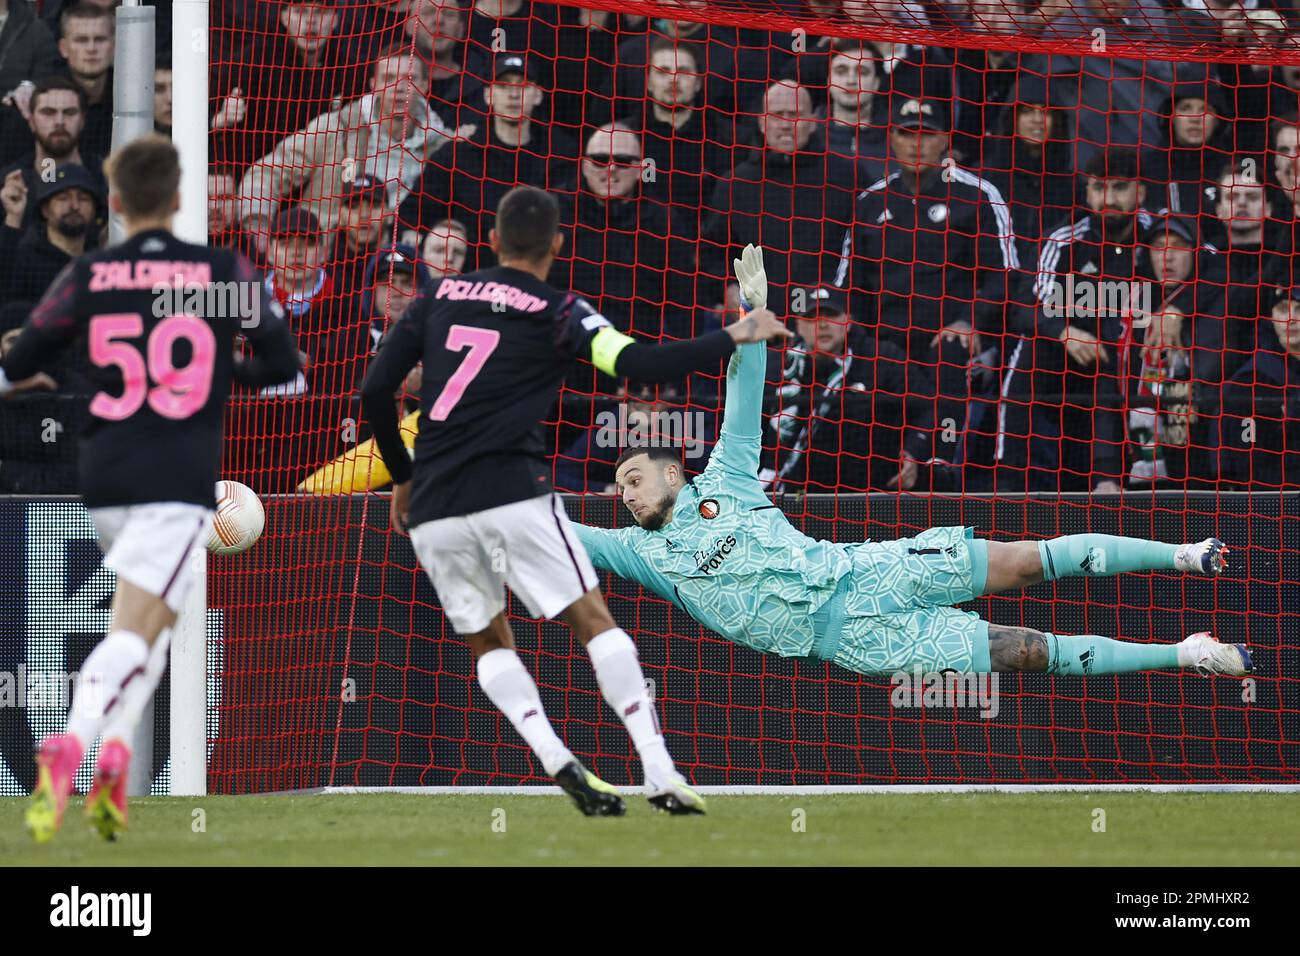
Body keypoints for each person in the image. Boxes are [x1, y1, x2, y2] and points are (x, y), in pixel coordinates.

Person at [573, 246, 1250, 684]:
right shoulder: (637, 551)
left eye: (633, 477)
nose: (623, 493)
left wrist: (752, 314)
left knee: (1022, 560)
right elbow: (553, 528)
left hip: (870, 571)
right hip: (865, 644)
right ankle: (1187, 653)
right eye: (619, 485)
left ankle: (1183, 555)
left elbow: (744, 397)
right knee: (1025, 650)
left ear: (673, 473)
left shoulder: (725, 476)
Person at [358, 191, 791, 817]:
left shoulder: (435, 296)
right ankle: (658, 770)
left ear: (492, 243)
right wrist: (738, 331)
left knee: (487, 638)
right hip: (512, 492)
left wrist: (402, 475)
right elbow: (641, 362)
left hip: (433, 503)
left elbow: (376, 390)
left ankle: (556, 758)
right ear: (557, 246)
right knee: (592, 620)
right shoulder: (560, 310)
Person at [0, 135, 301, 843]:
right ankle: (68, 747)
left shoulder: (92, 275)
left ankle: (112, 762)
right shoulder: (220, 271)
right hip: (175, 476)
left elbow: (22, 359)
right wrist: (216, 380)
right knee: (136, 632)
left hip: (103, 472)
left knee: (153, 629)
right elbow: (285, 367)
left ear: (114, 201)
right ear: (177, 198)